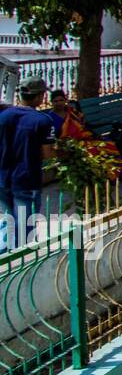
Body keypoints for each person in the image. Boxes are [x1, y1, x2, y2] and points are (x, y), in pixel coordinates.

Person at [0, 76, 54, 249]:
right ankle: (17, 268)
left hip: (2, 179)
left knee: (10, 223)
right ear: (40, 96)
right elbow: (47, 153)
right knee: (24, 230)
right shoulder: (43, 120)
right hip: (26, 181)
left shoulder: (3, 116)